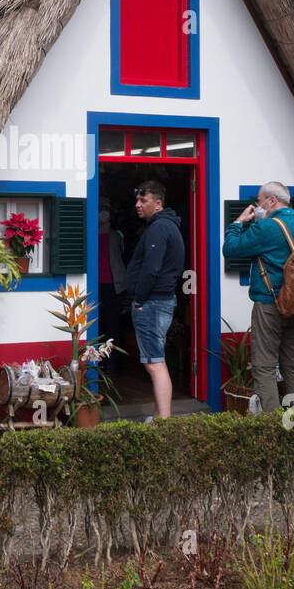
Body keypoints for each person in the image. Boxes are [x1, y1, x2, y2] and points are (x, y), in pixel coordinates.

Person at [222, 181, 294, 413]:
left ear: (272, 200)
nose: (258, 206)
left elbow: (230, 248)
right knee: (292, 367)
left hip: (270, 304)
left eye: (260, 201)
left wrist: (239, 222)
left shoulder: (266, 228)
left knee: (264, 367)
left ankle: (273, 430)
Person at [124, 180, 184, 419]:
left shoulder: (159, 229)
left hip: (152, 303)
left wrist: (139, 299)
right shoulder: (167, 226)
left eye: (143, 200)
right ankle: (159, 416)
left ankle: (164, 422)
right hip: (160, 301)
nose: (138, 205)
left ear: (158, 204)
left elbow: (151, 268)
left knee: (154, 363)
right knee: (156, 360)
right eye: (137, 200)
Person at [97, 198, 128, 372]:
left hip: (114, 286)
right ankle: (98, 361)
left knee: (113, 326)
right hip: (95, 286)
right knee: (98, 325)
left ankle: (112, 363)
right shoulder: (91, 234)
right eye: (101, 209)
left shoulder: (117, 235)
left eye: (106, 209)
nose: (103, 213)